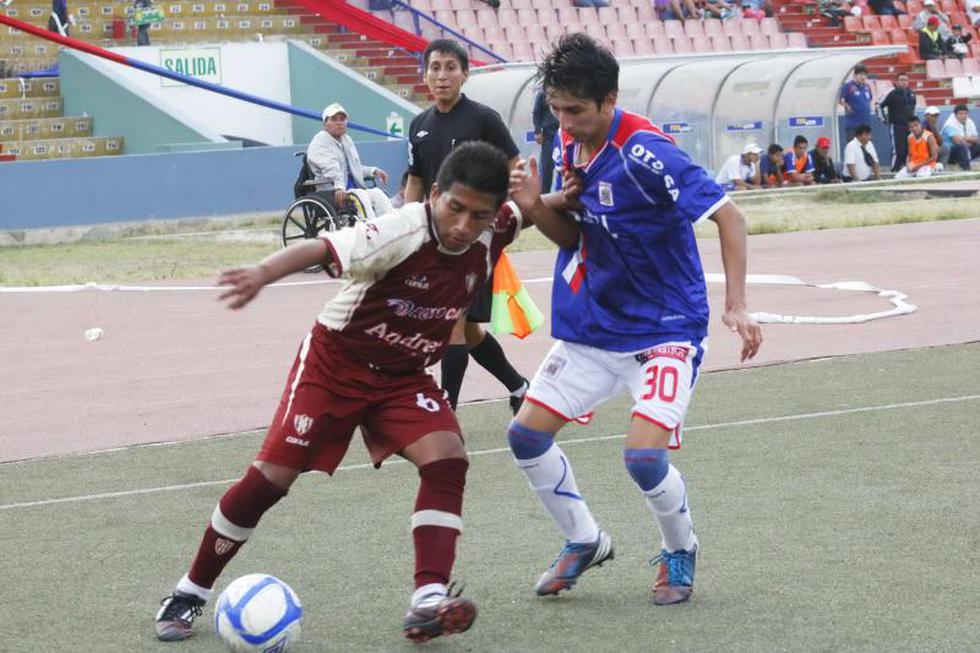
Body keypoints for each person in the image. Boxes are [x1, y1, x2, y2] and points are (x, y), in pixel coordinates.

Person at [154, 142, 540, 645]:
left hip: (402, 377)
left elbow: (533, 213)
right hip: (335, 364)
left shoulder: (493, 230)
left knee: (448, 458)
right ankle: (189, 591)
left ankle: (428, 599)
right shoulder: (401, 230)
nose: (465, 225)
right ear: (436, 193)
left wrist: (539, 203)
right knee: (272, 478)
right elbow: (322, 248)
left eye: (479, 215)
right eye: (455, 208)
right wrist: (262, 273)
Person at [504, 33, 762, 607]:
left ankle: (680, 548)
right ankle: (584, 539)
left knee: (643, 456)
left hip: (665, 330)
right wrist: (536, 205)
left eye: (575, 110)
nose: (564, 123)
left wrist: (737, 304)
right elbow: (575, 235)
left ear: (608, 99)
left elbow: (732, 220)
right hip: (596, 328)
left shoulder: (648, 151)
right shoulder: (567, 145)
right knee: (524, 435)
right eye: (556, 109)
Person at [404, 39, 528, 414]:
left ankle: (445, 414)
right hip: (436, 237)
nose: (442, 76)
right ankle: (520, 387)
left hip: (473, 238)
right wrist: (407, 227)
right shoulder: (419, 125)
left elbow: (515, 168)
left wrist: (492, 216)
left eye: (450, 68)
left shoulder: (483, 119)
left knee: (452, 322)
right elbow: (415, 182)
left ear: (464, 74)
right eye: (435, 68)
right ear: (425, 74)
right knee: (469, 330)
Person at [307, 103, 392, 220]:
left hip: (354, 188)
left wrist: (373, 171)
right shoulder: (320, 142)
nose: (339, 123)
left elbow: (354, 168)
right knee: (361, 197)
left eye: (342, 119)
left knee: (378, 194)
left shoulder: (347, 140)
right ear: (325, 124)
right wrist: (339, 187)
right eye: (334, 119)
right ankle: (369, 232)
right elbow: (331, 168)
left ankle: (390, 228)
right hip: (331, 190)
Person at [878, 72, 917, 171]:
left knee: (910, 149)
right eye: (901, 80)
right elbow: (878, 105)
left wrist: (915, 123)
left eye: (906, 80)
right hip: (897, 126)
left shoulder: (911, 93)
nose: (904, 82)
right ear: (896, 81)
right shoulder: (891, 93)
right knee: (898, 150)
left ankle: (908, 169)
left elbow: (914, 109)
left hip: (910, 127)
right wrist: (883, 119)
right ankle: (894, 170)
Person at [532, 87, 560, 192]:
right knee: (546, 168)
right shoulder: (543, 93)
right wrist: (538, 131)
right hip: (549, 136)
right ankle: (544, 195)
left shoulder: (566, 90)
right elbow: (536, 113)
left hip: (564, 133)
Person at [840, 64, 874, 143]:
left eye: (865, 74)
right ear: (855, 75)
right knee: (853, 149)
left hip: (866, 124)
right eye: (861, 74)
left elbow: (870, 99)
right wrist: (847, 106)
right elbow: (841, 100)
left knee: (867, 150)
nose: (863, 77)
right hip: (853, 124)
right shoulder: (848, 86)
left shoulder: (867, 86)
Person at [940, 104, 980, 171]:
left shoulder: (969, 122)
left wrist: (964, 138)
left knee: (978, 145)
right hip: (950, 154)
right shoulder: (949, 124)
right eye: (961, 114)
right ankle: (967, 170)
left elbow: (976, 139)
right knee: (961, 147)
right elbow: (957, 141)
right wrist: (969, 140)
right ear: (955, 115)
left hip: (966, 150)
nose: (963, 116)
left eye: (965, 114)